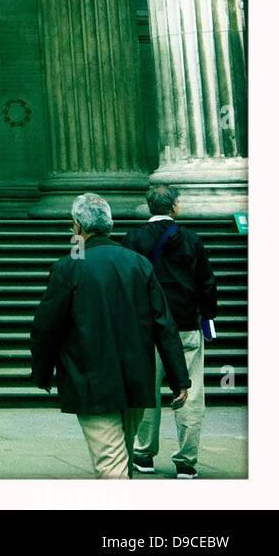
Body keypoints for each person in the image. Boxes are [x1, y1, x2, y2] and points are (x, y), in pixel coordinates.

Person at [31, 192, 191, 479]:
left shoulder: (68, 266)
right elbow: (164, 325)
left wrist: (43, 372)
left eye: (72, 226)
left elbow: (46, 327)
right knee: (122, 460)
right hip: (135, 380)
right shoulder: (138, 263)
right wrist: (179, 378)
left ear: (78, 227)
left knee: (112, 466)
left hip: (91, 381)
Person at [122, 185, 218, 478]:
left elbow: (127, 281)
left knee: (147, 393)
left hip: (147, 328)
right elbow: (206, 283)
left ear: (150, 207)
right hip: (185, 325)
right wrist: (209, 318)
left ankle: (143, 454)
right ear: (174, 207)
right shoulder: (191, 239)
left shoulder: (133, 239)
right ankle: (186, 461)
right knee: (190, 392)